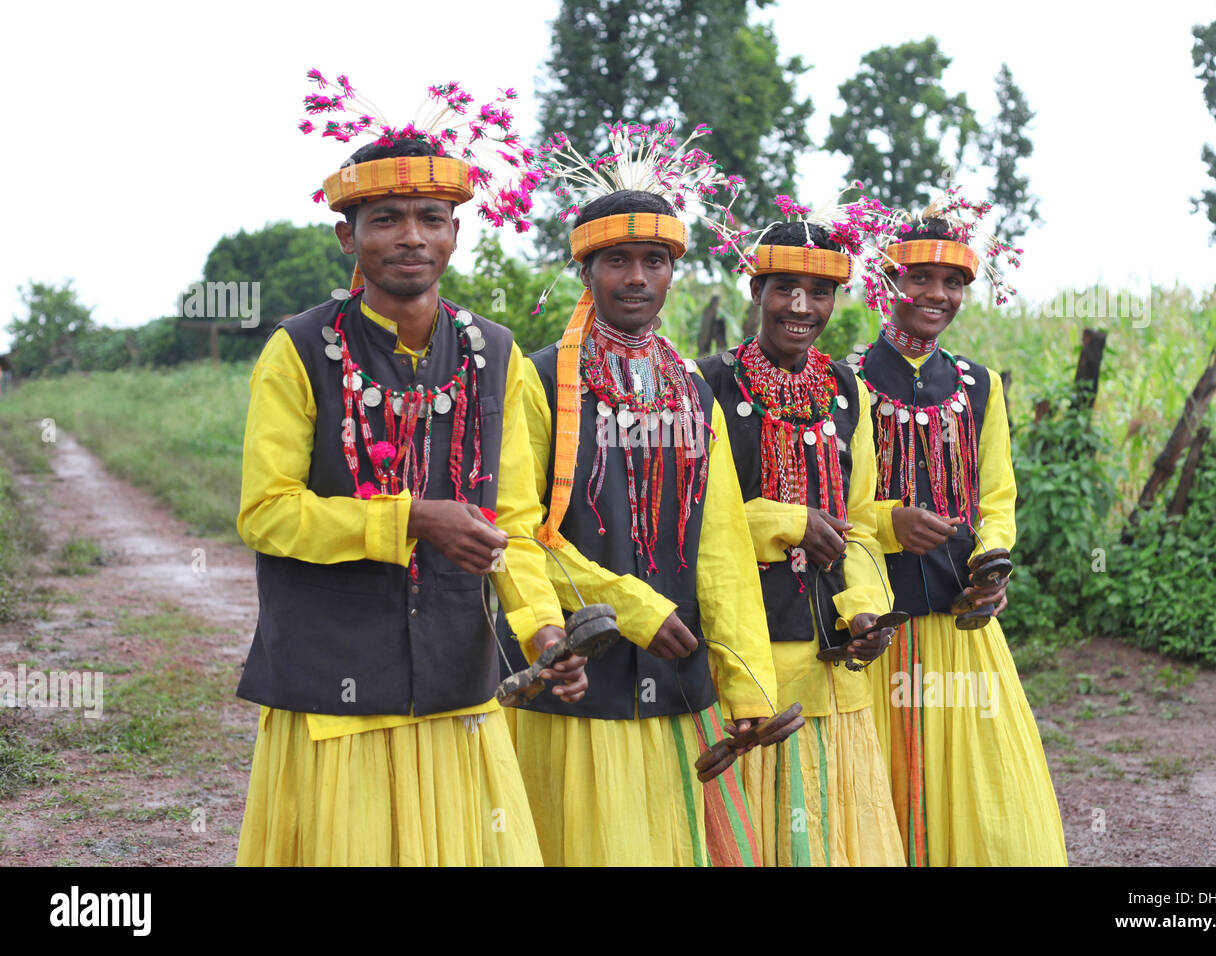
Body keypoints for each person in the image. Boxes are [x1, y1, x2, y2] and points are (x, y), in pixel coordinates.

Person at [234, 75, 585, 866]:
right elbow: (267, 512)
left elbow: (516, 529)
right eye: (384, 219)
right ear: (347, 237)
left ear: (456, 234)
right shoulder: (297, 350)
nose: (410, 237)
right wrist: (410, 519)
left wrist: (542, 630)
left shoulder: (497, 356)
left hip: (459, 675)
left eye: (431, 219)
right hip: (334, 681)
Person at [499, 123, 779, 866]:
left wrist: (747, 685)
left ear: (672, 274)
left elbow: (720, 546)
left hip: (676, 676)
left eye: (653, 261)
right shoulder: (536, 377)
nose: (635, 278)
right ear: (586, 270)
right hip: (573, 672)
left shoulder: (693, 391)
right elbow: (517, 530)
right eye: (614, 260)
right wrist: (630, 607)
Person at [849, 197, 1067, 866]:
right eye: (920, 278)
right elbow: (838, 502)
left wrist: (993, 554)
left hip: (959, 621)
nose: (936, 295)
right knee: (878, 792)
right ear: (887, 284)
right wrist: (890, 522)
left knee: (986, 801)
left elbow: (997, 494)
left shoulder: (979, 386)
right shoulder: (846, 382)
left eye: (952, 283)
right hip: (872, 627)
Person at [697, 214, 906, 867]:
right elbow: (700, 515)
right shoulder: (707, 384)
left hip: (832, 662)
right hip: (751, 656)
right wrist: (786, 521)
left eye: (818, 293)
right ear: (755, 289)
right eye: (783, 287)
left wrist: (864, 608)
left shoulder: (848, 391)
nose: (800, 306)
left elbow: (864, 519)